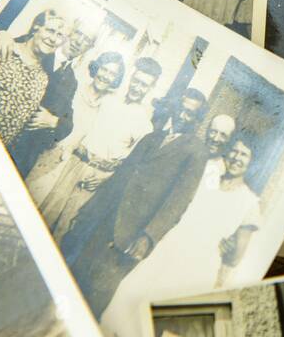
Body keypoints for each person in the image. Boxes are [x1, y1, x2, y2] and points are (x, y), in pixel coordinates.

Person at [101, 131, 260, 337]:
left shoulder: (249, 202)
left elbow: (236, 257)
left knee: (162, 318)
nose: (236, 157)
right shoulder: (206, 178)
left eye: (244, 154)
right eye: (234, 151)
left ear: (252, 162)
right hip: (170, 247)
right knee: (133, 296)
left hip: (198, 265)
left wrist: (227, 248)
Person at [60, 93, 223, 318]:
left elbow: (178, 203)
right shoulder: (152, 137)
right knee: (75, 278)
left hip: (130, 236)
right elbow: (118, 179)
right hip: (104, 222)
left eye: (190, 114)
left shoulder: (196, 151)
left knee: (97, 294)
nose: (182, 116)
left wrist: (148, 237)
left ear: (197, 119)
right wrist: (87, 212)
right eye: (181, 109)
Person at [30, 56, 161, 241]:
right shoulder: (107, 97)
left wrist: (105, 179)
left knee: (66, 229)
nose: (137, 88)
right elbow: (80, 98)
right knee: (46, 214)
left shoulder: (145, 126)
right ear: (131, 77)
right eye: (136, 81)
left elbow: (131, 164)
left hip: (97, 176)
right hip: (74, 162)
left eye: (144, 85)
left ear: (151, 88)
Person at [25, 51, 127, 235]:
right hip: (50, 155)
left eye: (112, 74)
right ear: (96, 68)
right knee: (29, 202)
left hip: (70, 167)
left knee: (46, 221)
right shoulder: (75, 87)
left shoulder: (108, 105)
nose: (106, 76)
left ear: (116, 79)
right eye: (104, 69)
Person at [0, 19, 98, 177]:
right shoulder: (41, 48)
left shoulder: (71, 80)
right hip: (0, 136)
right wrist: (2, 34)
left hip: (24, 156)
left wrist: (54, 121)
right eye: (78, 33)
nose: (79, 41)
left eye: (87, 40)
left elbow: (68, 124)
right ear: (69, 32)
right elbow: (12, 44)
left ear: (89, 48)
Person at [0, 8, 66, 147]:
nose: (53, 39)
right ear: (36, 28)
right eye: (50, 30)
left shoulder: (42, 79)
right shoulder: (1, 49)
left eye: (59, 35)